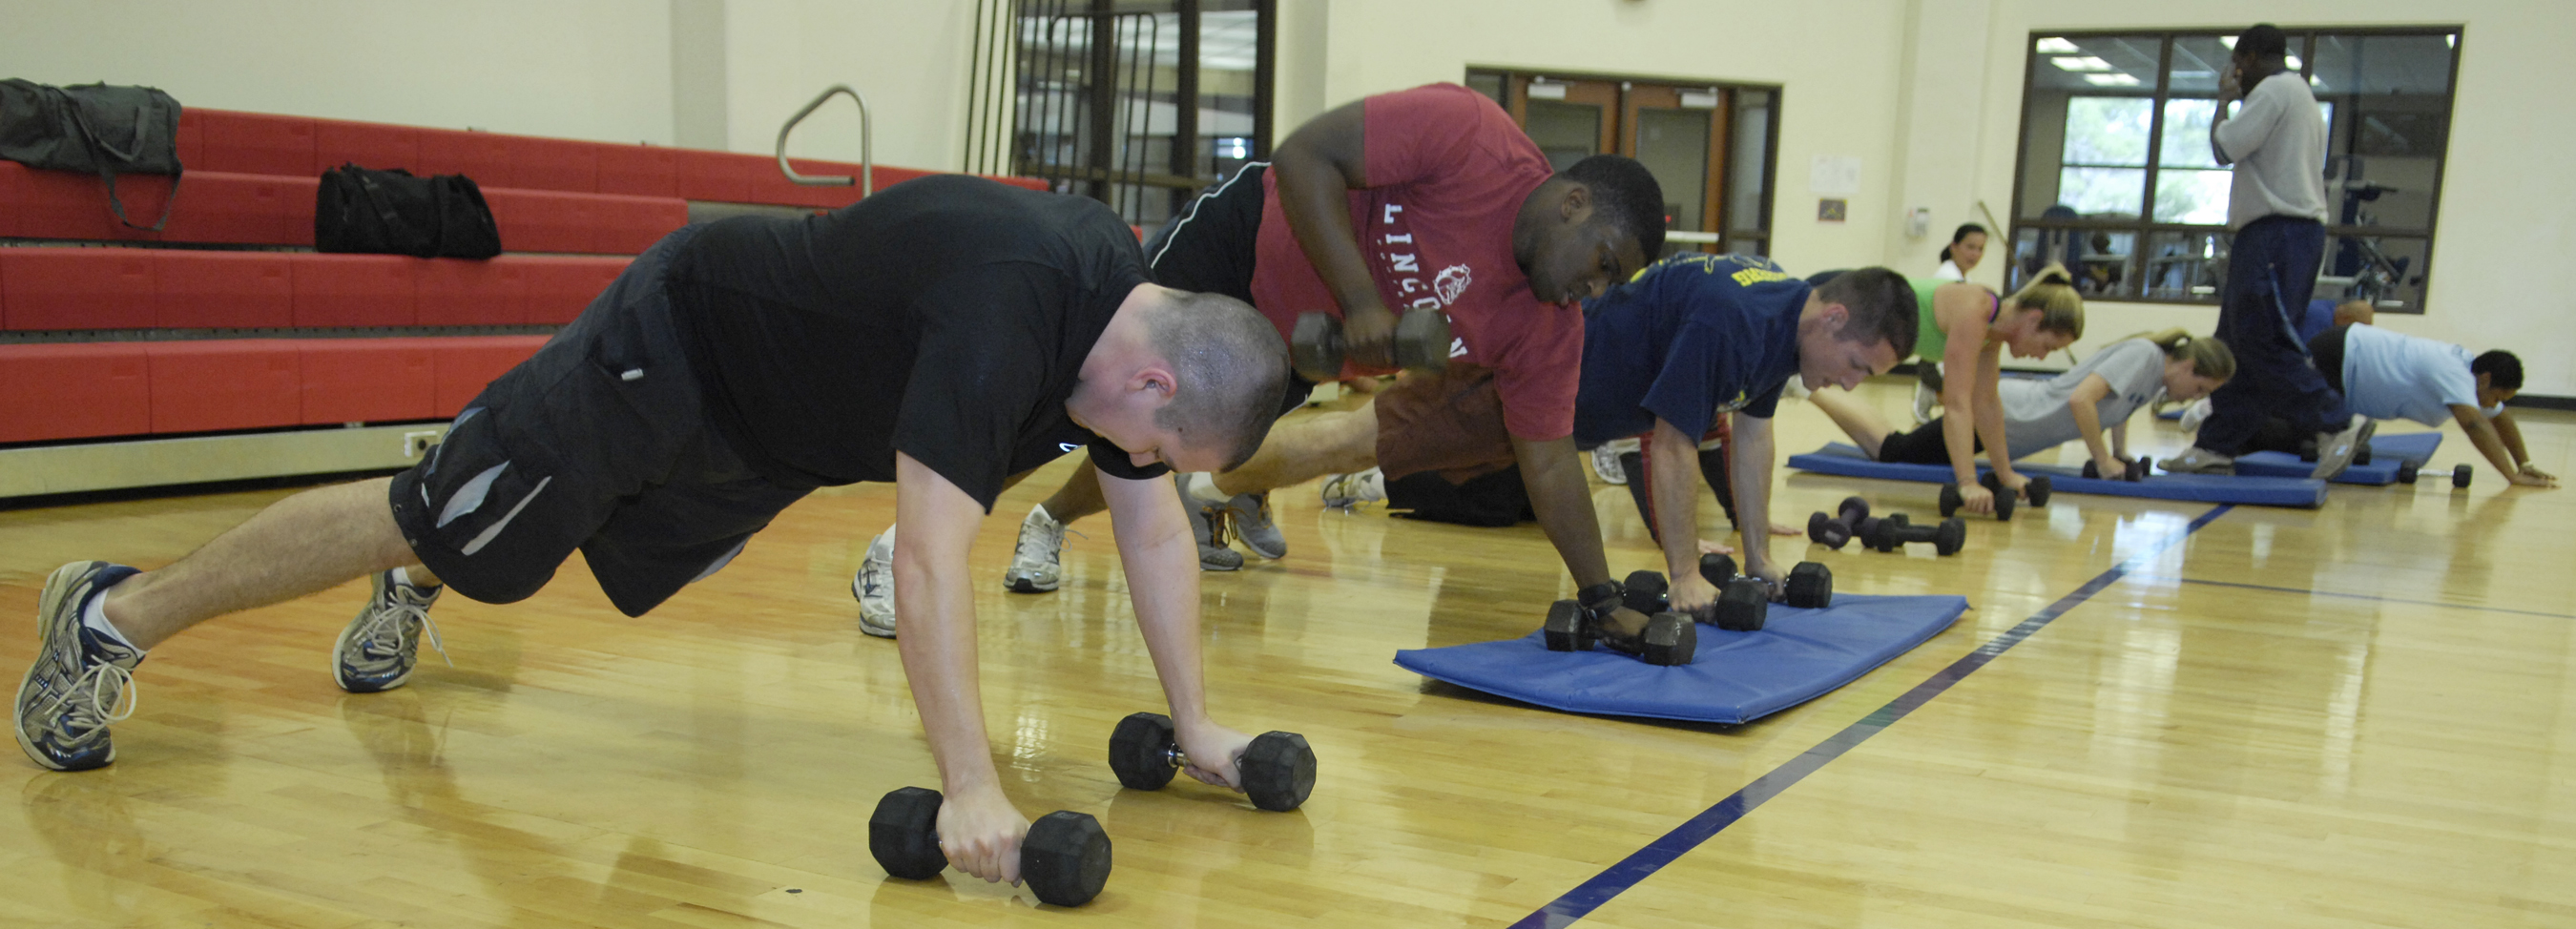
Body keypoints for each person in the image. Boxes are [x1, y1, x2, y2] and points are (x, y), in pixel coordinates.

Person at [13, 175, 1293, 889]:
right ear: (1156, 386)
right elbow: (924, 558)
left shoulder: (1126, 349)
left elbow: (1159, 538)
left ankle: (445, 552)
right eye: (1166, 451)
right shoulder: (1012, 313)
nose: (1144, 475)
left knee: (510, 553)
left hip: (769, 436)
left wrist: (1195, 730)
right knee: (439, 514)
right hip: (669, 349)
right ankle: (111, 614)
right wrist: (969, 783)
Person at [851, 82, 1667, 634]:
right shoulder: (1472, 137)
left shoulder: (1547, 331)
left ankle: (1075, 515)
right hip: (1239, 249)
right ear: (1573, 203)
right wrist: (1363, 303)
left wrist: (1599, 598)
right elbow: (1308, 153)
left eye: (1610, 284)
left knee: (1147, 445)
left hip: (1289, 354)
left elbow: (1552, 465)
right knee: (1061, 400)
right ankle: (901, 547)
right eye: (1603, 262)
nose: (1593, 290)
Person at [1573, 258, 1914, 616]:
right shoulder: (1730, 319)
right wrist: (1685, 573)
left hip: (1579, 420)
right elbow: (1672, 445)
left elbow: (1753, 436)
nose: (1850, 384)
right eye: (1857, 365)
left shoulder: (1790, 321)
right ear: (1833, 318)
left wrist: (1759, 558)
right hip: (1547, 385)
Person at [2168, 23, 2369, 480]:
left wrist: (2223, 100)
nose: (2235, 71)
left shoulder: (2275, 91)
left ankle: (2336, 419)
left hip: (2278, 234)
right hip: (2279, 234)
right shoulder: (2293, 94)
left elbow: (2224, 147)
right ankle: (2218, 444)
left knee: (2262, 340)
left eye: (2237, 63)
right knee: (2234, 347)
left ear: (2250, 58)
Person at [1809, 266, 2084, 513]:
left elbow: (1986, 404)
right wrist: (1967, 482)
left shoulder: (1992, 333)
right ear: (2034, 320)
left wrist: (2006, 474)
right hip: (1830, 295)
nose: (2042, 357)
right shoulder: (1976, 310)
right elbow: (1957, 403)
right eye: (2048, 346)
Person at [1813, 330, 2235, 480]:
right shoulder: (2145, 355)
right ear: (2190, 365)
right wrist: (2103, 459)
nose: (2192, 398)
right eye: (2199, 388)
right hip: (2004, 414)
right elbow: (2081, 401)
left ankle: (1817, 391)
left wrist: (2120, 453)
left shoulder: (2151, 374)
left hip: (2011, 428)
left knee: (1899, 447)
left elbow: (2115, 408)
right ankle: (1813, 389)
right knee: (1893, 453)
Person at [2243, 324, 2557, 488]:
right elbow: (2475, 426)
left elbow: (2501, 420)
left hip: (2346, 361)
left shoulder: (2470, 378)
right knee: (2292, 428)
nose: (2495, 405)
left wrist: (2524, 465)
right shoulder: (2456, 374)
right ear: (2486, 379)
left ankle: (2338, 426)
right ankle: (2225, 418)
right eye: (2498, 397)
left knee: (2296, 425)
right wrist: (2510, 477)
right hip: (2341, 355)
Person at [1914, 222, 1991, 420]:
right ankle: (1930, 390)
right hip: (1935, 359)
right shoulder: (1948, 278)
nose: (1975, 254)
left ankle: (1931, 391)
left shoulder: (1966, 280)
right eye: (1970, 247)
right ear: (1954, 247)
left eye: (1980, 249)